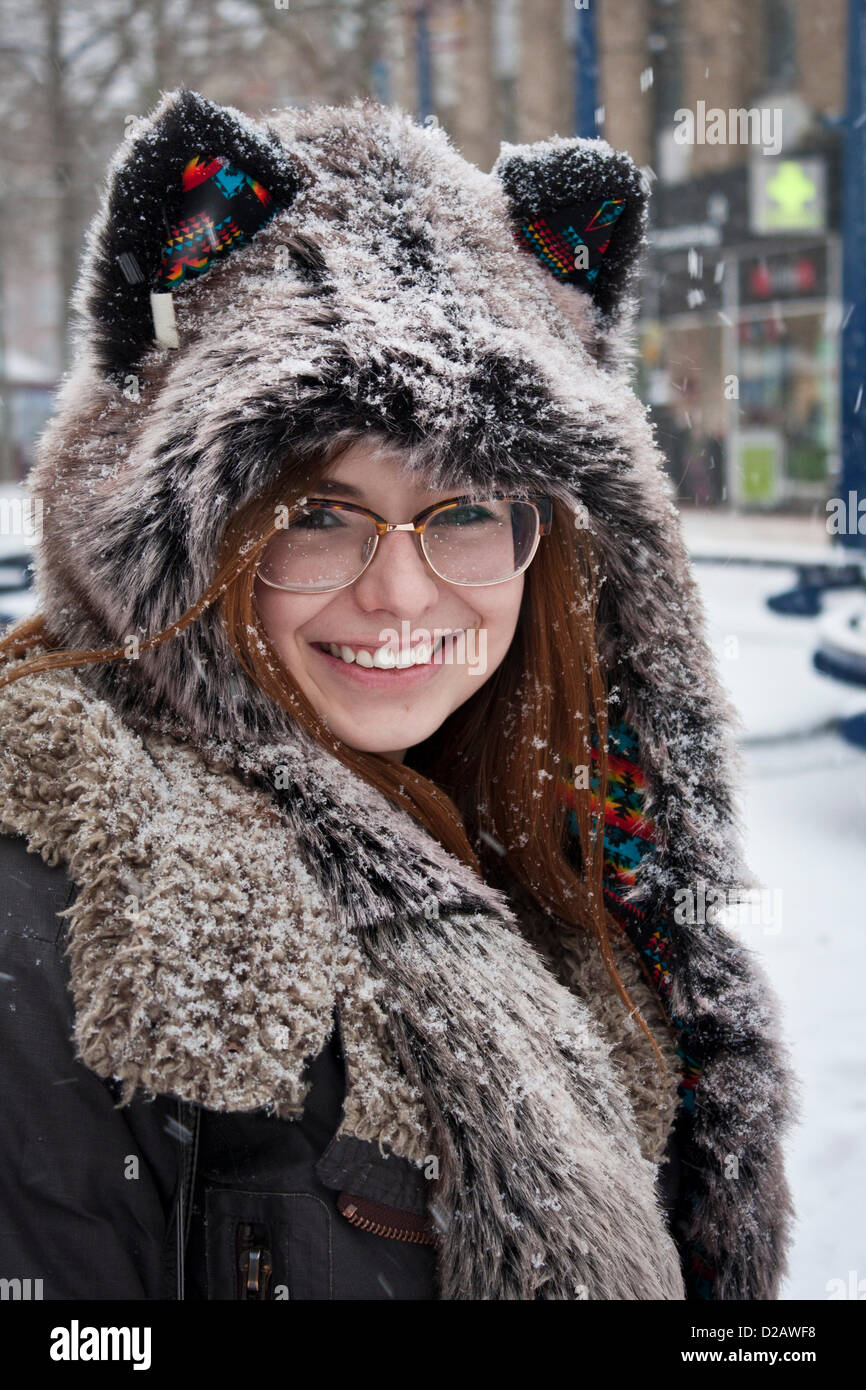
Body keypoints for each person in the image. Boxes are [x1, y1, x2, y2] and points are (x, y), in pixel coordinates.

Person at [0, 88, 798, 1301]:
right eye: (318, 516)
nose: (400, 599)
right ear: (180, 543)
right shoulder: (64, 905)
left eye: (464, 512)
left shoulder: (591, 881)